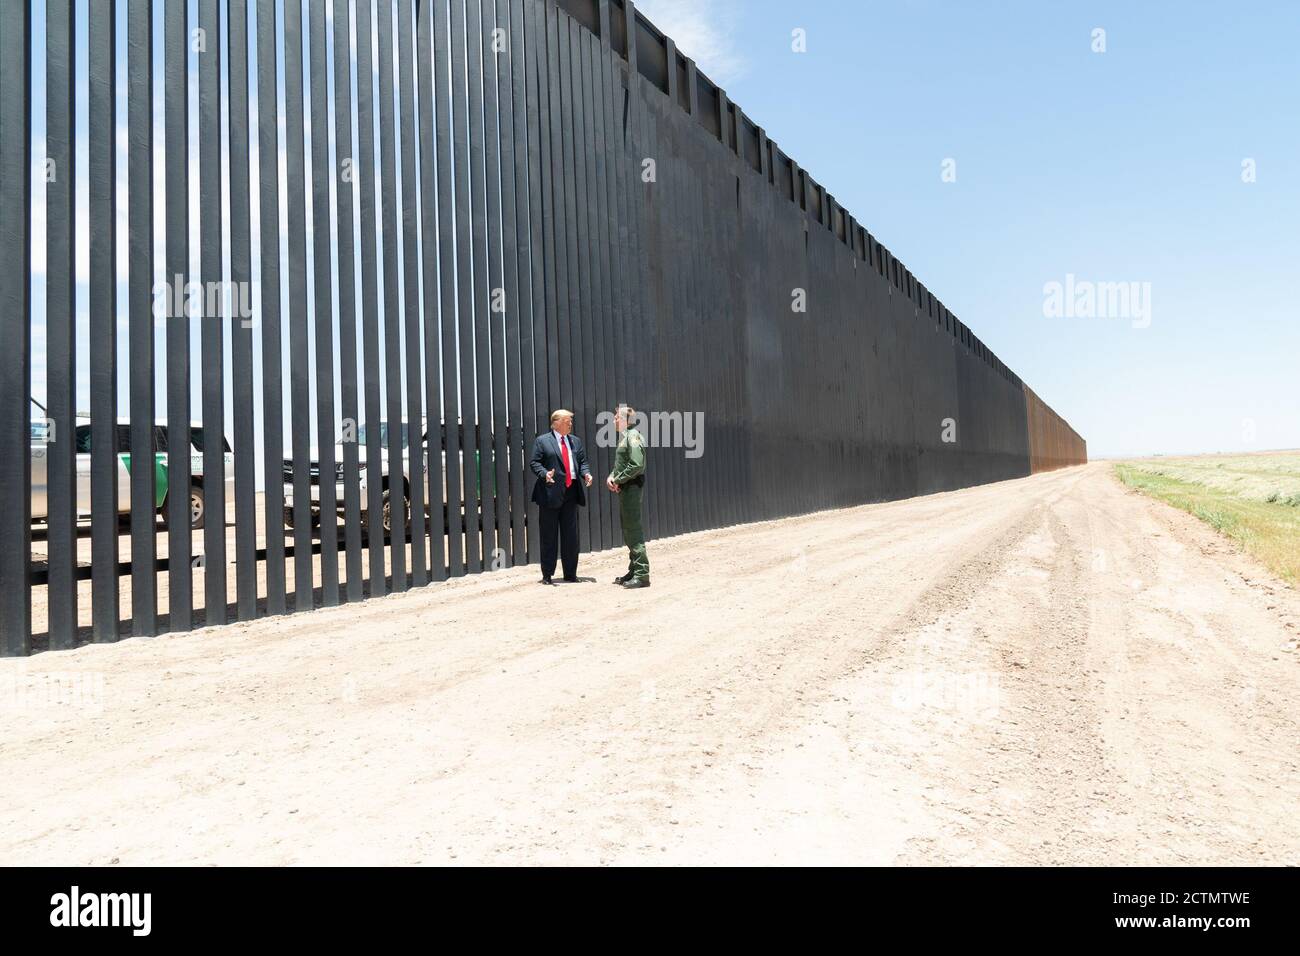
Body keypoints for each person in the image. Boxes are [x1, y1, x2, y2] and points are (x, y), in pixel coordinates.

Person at [530, 409, 593, 584]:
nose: (571, 424)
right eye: (567, 421)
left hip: (571, 492)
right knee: (549, 535)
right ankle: (547, 575)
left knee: (571, 536)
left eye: (571, 421)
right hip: (550, 492)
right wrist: (544, 474)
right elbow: (534, 462)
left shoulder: (575, 442)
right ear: (556, 423)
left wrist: (586, 474)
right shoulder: (542, 441)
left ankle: (570, 574)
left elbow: (582, 462)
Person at [606, 404, 650, 589]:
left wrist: (617, 478)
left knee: (633, 530)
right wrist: (612, 476)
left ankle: (642, 575)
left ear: (624, 420)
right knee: (628, 529)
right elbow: (623, 464)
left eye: (616, 417)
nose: (614, 420)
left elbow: (636, 465)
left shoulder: (632, 437)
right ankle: (633, 570)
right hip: (626, 488)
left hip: (631, 488)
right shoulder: (626, 437)